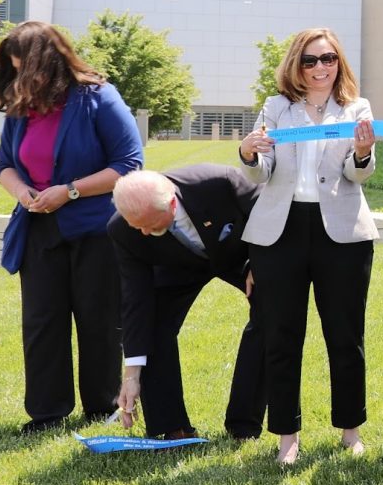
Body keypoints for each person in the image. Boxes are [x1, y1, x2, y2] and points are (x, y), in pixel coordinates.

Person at [0, 20, 145, 434]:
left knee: (98, 319)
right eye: (15, 68)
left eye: (26, 68)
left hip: (95, 230)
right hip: (38, 229)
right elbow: (3, 165)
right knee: (42, 321)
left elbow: (129, 164)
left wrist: (69, 191)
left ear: (50, 62)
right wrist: (22, 190)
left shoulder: (98, 98)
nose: (20, 78)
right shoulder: (22, 107)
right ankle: (46, 413)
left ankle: (102, 406)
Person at [239, 27, 381, 467]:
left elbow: (359, 175)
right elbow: (260, 172)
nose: (321, 67)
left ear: (339, 62)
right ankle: (287, 436)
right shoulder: (276, 108)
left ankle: (350, 430)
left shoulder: (357, 108)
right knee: (280, 336)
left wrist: (362, 152)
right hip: (280, 233)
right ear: (295, 65)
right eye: (311, 60)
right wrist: (248, 153)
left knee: (345, 335)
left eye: (329, 59)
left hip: (341, 233)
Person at [106, 166, 266, 440]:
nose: (143, 232)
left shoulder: (220, 182)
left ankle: (243, 425)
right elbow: (136, 300)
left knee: (271, 313)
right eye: (137, 226)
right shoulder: (123, 229)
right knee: (155, 324)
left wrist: (261, 264)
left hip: (238, 253)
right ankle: (172, 428)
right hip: (178, 266)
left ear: (170, 203)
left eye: (150, 224)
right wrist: (131, 374)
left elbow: (266, 213)